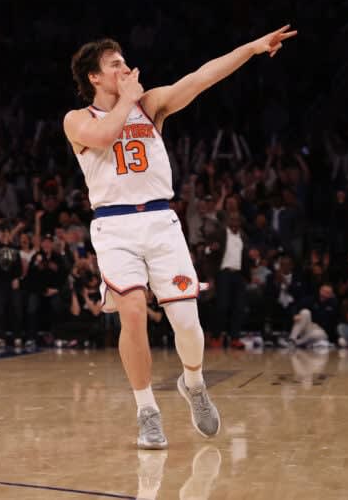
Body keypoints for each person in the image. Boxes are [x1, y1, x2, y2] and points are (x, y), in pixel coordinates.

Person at [63, 26, 296, 448]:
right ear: (94, 77)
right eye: (115, 65)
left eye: (124, 61)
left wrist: (251, 47)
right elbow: (102, 137)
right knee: (131, 312)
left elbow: (202, 76)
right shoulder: (77, 120)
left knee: (187, 323)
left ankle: (193, 383)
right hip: (113, 226)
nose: (126, 69)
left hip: (160, 220)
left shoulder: (150, 106)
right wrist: (128, 99)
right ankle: (146, 410)